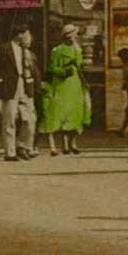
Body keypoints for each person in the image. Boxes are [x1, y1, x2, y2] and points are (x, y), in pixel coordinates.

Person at [39, 23, 91, 157]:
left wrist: (83, 80)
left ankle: (72, 142)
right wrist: (62, 72)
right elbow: (52, 68)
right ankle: (65, 143)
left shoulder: (77, 49)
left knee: (75, 113)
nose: (74, 38)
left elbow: (79, 67)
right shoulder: (57, 50)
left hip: (75, 85)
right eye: (72, 35)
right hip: (62, 85)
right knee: (61, 113)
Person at [0, 23, 39, 161]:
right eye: (27, 35)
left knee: (30, 118)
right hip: (10, 85)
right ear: (20, 35)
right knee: (10, 119)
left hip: (25, 85)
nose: (29, 38)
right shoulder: (4, 49)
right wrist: (0, 80)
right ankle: (10, 152)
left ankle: (24, 146)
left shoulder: (27, 52)